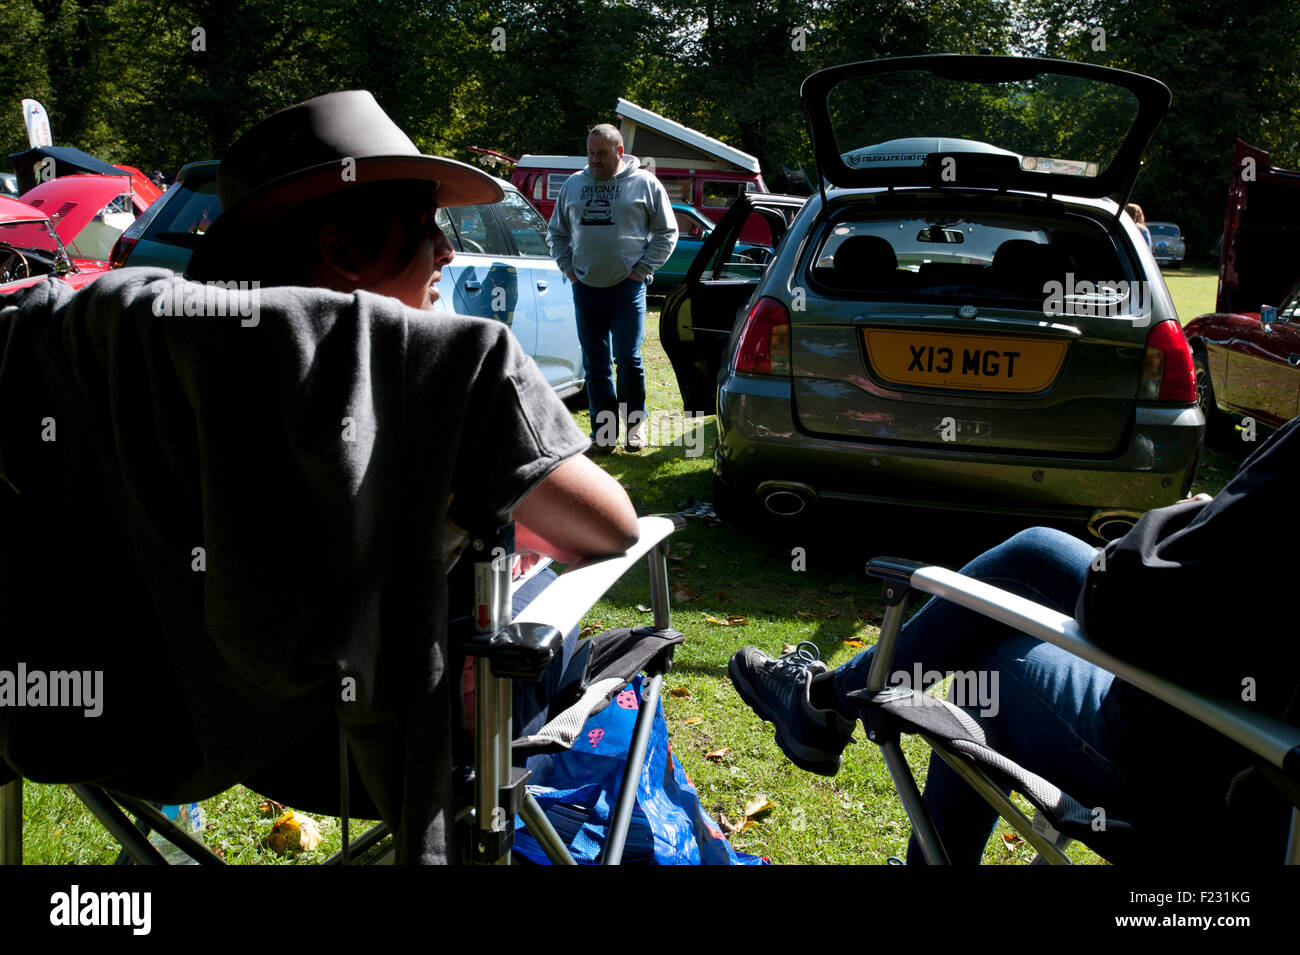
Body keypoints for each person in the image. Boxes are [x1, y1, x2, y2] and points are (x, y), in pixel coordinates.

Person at [0, 91, 638, 864]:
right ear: (339, 245)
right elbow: (612, 526)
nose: (446, 252)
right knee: (587, 662)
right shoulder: (443, 363)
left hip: (119, 721)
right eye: (429, 225)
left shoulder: (132, 352)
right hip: (364, 750)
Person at [729, 416, 1300, 864]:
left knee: (982, 657)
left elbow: (1127, 598)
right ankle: (828, 700)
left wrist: (1181, 517)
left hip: (1201, 779)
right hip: (1254, 751)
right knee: (1036, 554)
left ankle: (826, 706)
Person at [547, 123, 677, 452]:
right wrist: (570, 271)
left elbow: (667, 232)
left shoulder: (645, 183)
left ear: (619, 153)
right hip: (585, 286)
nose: (594, 160)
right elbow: (557, 233)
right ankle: (603, 436)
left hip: (627, 288)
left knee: (628, 358)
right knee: (596, 364)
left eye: (602, 154)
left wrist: (641, 271)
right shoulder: (574, 185)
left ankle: (635, 427)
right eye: (590, 153)